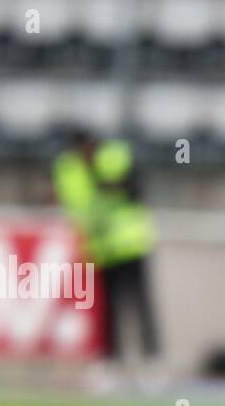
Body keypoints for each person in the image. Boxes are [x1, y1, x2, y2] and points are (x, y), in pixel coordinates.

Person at [53, 130, 161, 364]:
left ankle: (152, 359)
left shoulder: (115, 156)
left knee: (139, 304)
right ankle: (111, 360)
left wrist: (109, 185)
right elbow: (77, 207)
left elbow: (135, 190)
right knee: (108, 310)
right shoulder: (70, 170)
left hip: (130, 244)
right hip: (102, 248)